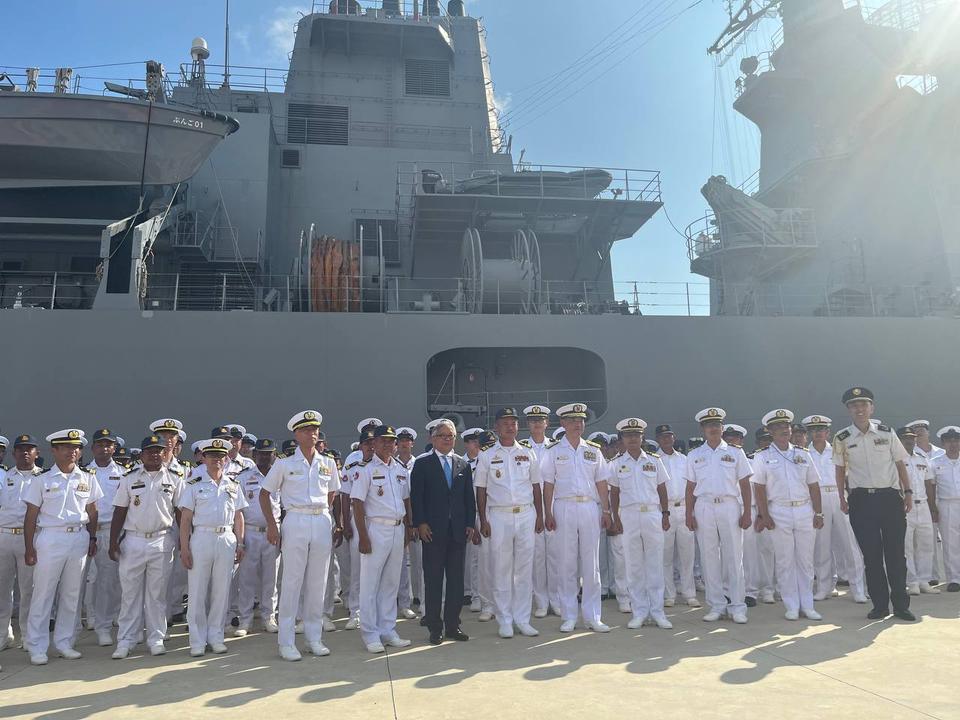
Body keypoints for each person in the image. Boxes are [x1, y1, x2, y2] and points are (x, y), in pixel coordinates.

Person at [261, 410, 340, 661]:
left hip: (321, 519)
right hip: (295, 519)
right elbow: (265, 493)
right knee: (292, 581)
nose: (312, 434)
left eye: (315, 429)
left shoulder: (328, 462)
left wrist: (324, 513)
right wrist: (272, 525)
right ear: (296, 434)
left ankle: (314, 637)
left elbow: (332, 492)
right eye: (306, 430)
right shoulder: (284, 464)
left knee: (318, 582)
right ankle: (286, 641)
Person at [833, 387, 915, 621]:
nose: (859, 409)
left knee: (896, 555)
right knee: (871, 556)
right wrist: (842, 497)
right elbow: (839, 470)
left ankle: (901, 606)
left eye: (863, 404)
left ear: (872, 408)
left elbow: (900, 464)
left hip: (889, 499)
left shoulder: (887, 433)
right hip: (861, 501)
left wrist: (908, 492)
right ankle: (880, 605)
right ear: (848, 410)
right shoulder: (842, 438)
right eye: (853, 406)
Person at [23, 429, 102, 665]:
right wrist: (29, 548)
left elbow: (92, 511)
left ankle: (65, 642)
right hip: (51, 537)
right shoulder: (42, 479)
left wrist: (92, 538)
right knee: (43, 593)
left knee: (72, 594)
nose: (72, 452)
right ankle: (37, 646)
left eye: (76, 448)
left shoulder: (87, 478)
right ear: (54, 450)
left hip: (78, 537)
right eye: (66, 447)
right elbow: (31, 515)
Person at [109, 434, 184, 659]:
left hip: (161, 540)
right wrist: (113, 542)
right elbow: (120, 511)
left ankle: (156, 638)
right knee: (130, 594)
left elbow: (181, 512)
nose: (154, 454)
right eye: (150, 451)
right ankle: (126, 640)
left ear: (164, 453)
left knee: (157, 595)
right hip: (133, 540)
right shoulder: (129, 478)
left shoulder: (174, 478)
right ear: (141, 455)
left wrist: (184, 540)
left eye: (159, 450)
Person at [540, 403, 612, 633]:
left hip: (589, 506)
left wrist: (606, 511)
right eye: (572, 420)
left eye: (580, 420)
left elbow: (602, 482)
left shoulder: (593, 450)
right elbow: (548, 484)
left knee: (591, 564)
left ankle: (593, 617)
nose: (577, 424)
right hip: (564, 507)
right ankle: (569, 616)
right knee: (566, 563)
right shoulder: (553, 451)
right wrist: (548, 512)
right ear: (563, 423)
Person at [474, 408, 544, 638]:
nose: (509, 427)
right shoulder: (486, 455)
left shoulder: (528, 452)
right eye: (504, 423)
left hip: (525, 514)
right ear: (496, 427)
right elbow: (481, 489)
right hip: (499, 515)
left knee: (524, 570)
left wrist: (540, 516)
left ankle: (522, 619)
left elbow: (536, 486)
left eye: (513, 423)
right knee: (501, 569)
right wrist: (483, 519)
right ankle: (504, 619)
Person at [751, 409, 824, 621]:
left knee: (805, 560)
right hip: (778, 511)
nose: (784, 430)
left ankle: (807, 605)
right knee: (785, 561)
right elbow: (759, 488)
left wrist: (818, 512)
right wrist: (764, 515)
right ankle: (791, 605)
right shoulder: (763, 456)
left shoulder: (803, 454)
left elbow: (813, 485)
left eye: (786, 426)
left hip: (804, 510)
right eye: (778, 427)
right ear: (770, 432)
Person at [411, 418, 478, 645]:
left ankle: (452, 624)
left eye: (451, 436)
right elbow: (417, 497)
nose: (447, 439)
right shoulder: (422, 464)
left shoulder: (463, 465)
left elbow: (468, 498)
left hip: (457, 531)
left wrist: (470, 523)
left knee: (456, 581)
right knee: (433, 580)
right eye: (443, 436)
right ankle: (434, 626)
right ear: (433, 439)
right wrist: (420, 523)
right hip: (432, 530)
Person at [178, 437, 247, 656]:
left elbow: (239, 517)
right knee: (197, 590)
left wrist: (240, 543)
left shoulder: (233, 485)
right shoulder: (194, 484)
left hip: (226, 538)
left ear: (226, 459)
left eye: (220, 456)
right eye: (212, 456)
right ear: (204, 458)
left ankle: (216, 636)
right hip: (202, 537)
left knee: (221, 590)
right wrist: (184, 548)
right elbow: (185, 519)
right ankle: (197, 640)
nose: (216, 460)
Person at [685, 408, 753, 624]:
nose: (713, 428)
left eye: (716, 424)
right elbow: (690, 486)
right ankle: (716, 605)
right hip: (704, 506)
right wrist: (688, 513)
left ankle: (738, 606)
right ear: (702, 429)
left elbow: (745, 484)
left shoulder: (736, 452)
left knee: (734, 557)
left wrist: (747, 511)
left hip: (729, 505)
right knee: (709, 558)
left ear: (722, 428)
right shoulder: (695, 455)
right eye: (709, 425)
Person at [351, 425, 414, 653]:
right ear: (374, 443)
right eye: (383, 440)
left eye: (391, 441)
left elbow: (406, 500)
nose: (388, 445)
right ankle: (370, 634)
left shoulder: (400, 469)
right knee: (370, 584)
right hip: (376, 529)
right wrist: (363, 536)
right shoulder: (365, 469)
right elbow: (357, 503)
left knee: (390, 583)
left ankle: (388, 629)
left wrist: (408, 527)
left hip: (397, 528)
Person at [608, 418, 672, 630]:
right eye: (628, 435)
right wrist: (616, 517)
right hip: (629, 515)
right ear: (622, 439)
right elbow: (614, 493)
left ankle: (658, 612)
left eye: (636, 435)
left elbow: (662, 488)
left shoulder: (654, 460)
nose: (632, 439)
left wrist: (665, 514)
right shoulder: (616, 463)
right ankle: (639, 612)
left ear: (642, 437)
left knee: (655, 564)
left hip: (652, 513)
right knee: (633, 565)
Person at [804, 414, 867, 603]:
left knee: (850, 545)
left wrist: (847, 498)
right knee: (821, 546)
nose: (817, 433)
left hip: (839, 496)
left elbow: (849, 476)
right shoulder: (804, 454)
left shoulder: (838, 451)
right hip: (817, 498)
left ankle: (858, 588)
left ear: (828, 432)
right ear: (809, 433)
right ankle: (824, 587)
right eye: (813, 430)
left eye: (821, 429)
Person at [234, 439, 281, 636]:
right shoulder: (244, 477)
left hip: (273, 531)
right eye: (261, 453)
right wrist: (240, 539)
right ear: (254, 455)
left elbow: (285, 505)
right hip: (251, 531)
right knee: (247, 578)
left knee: (271, 578)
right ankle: (245, 620)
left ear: (274, 455)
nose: (265, 456)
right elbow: (238, 510)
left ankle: (269, 616)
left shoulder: (280, 476)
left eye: (269, 453)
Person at [0, 434, 41, 650]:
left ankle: (27, 635)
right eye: (20, 449)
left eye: (29, 449)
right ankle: (3, 634)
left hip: (31, 538)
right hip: (5, 536)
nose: (25, 452)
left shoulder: (44, 477)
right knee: (2, 589)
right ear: (14, 453)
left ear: (37, 453)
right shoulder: (4, 476)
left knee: (29, 589)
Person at [85, 427, 125, 647]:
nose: (104, 448)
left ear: (114, 448)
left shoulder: (123, 473)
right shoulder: (83, 472)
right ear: (92, 448)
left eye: (108, 445)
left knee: (107, 582)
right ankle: (77, 626)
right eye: (100, 445)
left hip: (110, 531)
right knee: (80, 582)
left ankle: (103, 626)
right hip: (84, 532)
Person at [655, 424, 699, 608]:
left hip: (684, 508)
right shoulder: (654, 460)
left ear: (674, 437)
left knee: (687, 555)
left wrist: (692, 512)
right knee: (665, 556)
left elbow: (693, 486)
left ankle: (689, 593)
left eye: (669, 436)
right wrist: (662, 513)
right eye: (663, 437)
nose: (666, 439)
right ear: (657, 439)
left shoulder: (685, 459)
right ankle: (669, 594)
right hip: (664, 510)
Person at [340, 421, 379, 631]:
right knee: (357, 567)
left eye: (374, 442)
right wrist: (345, 523)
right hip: (359, 519)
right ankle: (355, 611)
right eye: (367, 443)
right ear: (361, 445)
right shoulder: (353, 463)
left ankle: (375, 610)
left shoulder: (387, 464)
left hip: (380, 520)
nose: (371, 446)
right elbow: (345, 495)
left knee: (378, 568)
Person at [897, 427, 939, 595]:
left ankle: (924, 581)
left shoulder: (922, 458)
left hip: (923, 505)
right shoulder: (895, 459)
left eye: (912, 437)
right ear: (898, 440)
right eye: (905, 437)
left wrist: (932, 507)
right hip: (905, 506)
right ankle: (912, 582)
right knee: (907, 546)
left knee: (926, 544)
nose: (909, 440)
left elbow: (929, 483)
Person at [523, 404, 555, 617]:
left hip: (553, 505)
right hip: (532, 506)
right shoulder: (522, 448)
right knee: (537, 557)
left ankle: (557, 599)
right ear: (528, 424)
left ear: (547, 423)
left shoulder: (556, 447)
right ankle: (541, 601)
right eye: (533, 420)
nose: (537, 423)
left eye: (540, 420)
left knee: (556, 555)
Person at [461, 427, 493, 618]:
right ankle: (476, 596)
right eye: (484, 445)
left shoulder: (497, 461)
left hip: (496, 513)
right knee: (476, 559)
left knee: (496, 559)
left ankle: (494, 599)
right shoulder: (467, 466)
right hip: (476, 514)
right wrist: (473, 523)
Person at [927, 426, 960, 592]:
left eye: (956, 440)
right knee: (950, 543)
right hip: (947, 504)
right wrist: (933, 508)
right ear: (943, 444)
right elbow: (931, 487)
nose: (953, 444)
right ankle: (954, 578)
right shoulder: (935, 462)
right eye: (949, 441)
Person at [395, 426, 423, 620]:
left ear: (412, 443)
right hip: (399, 518)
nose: (405, 443)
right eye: (401, 440)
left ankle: (420, 597)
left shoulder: (420, 463)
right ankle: (403, 601)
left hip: (418, 518)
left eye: (407, 440)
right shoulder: (392, 465)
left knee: (420, 560)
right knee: (401, 563)